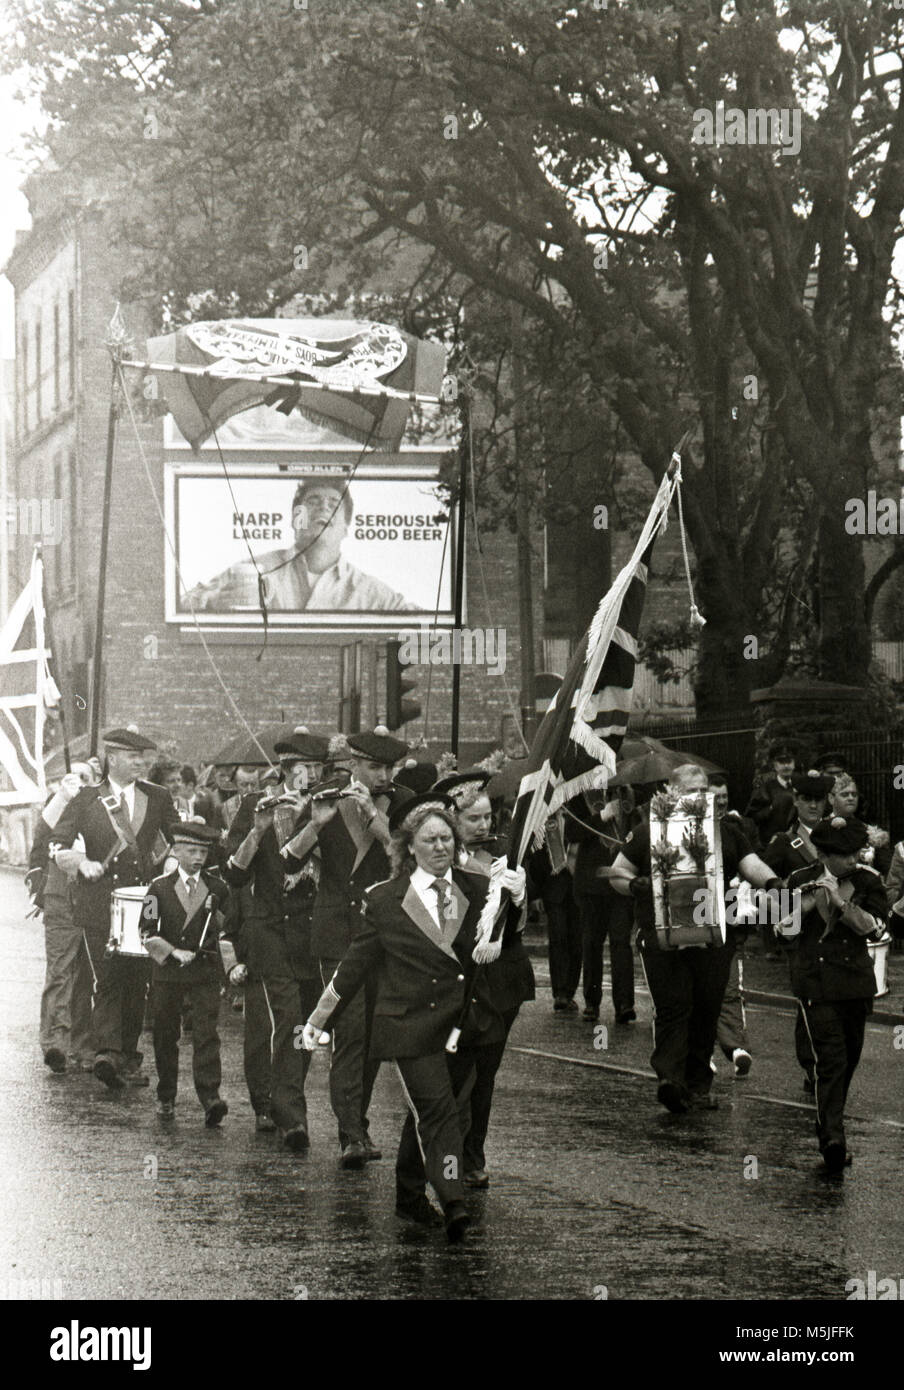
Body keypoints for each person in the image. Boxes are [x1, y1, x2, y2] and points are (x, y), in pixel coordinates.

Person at [302, 800, 508, 1242]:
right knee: (438, 1112)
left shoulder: (478, 887)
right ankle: (453, 1199)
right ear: (409, 847)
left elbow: (502, 939)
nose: (440, 847)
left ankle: (409, 1197)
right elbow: (353, 967)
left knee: (430, 1110)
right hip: (409, 1026)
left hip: (462, 1025)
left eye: (447, 838)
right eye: (429, 840)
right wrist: (319, 1020)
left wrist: (518, 898)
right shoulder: (384, 899)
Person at [610, 764, 782, 1114]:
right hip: (662, 937)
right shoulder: (648, 831)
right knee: (673, 1006)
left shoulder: (726, 831)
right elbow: (617, 872)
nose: (701, 797)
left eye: (704, 790)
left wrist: (773, 882)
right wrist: (633, 885)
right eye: (692, 791)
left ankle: (698, 1085)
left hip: (713, 936)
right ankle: (670, 1080)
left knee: (706, 1008)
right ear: (672, 792)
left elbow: (750, 863)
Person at [287, 727, 413, 1168]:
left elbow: (410, 859)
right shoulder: (326, 796)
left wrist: (376, 819)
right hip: (337, 932)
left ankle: (356, 1120)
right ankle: (351, 1134)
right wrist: (316, 824)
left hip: (385, 933)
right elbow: (290, 860)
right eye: (374, 767)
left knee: (375, 1034)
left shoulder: (404, 803)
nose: (383, 776)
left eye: (389, 768)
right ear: (353, 764)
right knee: (350, 1030)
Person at [51, 727, 181, 1090]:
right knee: (106, 978)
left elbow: (178, 840)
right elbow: (57, 844)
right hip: (99, 902)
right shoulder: (86, 799)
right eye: (133, 757)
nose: (141, 763)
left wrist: (173, 865)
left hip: (144, 901)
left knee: (137, 981)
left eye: (144, 757)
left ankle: (127, 1056)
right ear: (113, 758)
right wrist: (81, 862)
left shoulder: (157, 796)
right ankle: (108, 1054)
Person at [220, 731, 330, 1150]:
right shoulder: (255, 804)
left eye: (318, 768)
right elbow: (234, 874)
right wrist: (257, 831)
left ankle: (281, 1098)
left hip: (313, 930)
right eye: (305, 768)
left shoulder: (327, 804)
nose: (312, 776)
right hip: (269, 928)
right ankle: (290, 1115)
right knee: (285, 1018)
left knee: (307, 1024)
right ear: (286, 769)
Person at [436, 770, 532, 1188]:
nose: (483, 825)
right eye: (472, 818)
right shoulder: (440, 862)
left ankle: (473, 1155)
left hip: (501, 979)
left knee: (485, 1073)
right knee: (454, 1072)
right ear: (452, 820)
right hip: (456, 979)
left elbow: (518, 928)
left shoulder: (503, 858)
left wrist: (519, 896)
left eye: (487, 817)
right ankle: (446, 1154)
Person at [777, 816, 886, 1174]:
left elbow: (874, 929)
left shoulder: (868, 880)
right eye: (843, 854)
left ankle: (829, 1122)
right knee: (831, 1060)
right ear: (823, 855)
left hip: (854, 984)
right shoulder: (800, 879)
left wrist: (839, 902)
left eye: (855, 851)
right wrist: (807, 903)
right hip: (816, 983)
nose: (852, 858)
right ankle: (832, 1138)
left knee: (849, 1059)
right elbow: (781, 932)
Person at [183, 478, 417, 613]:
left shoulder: (369, 592)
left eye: (333, 503)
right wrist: (213, 601)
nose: (323, 507)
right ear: (296, 519)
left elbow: (424, 622)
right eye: (313, 501)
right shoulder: (254, 570)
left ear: (346, 527)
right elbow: (184, 603)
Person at [141, 822, 231, 1125]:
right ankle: (166, 1095)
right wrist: (173, 952)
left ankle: (210, 1097)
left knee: (207, 1035)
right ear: (176, 851)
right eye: (191, 851)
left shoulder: (218, 888)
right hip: (169, 972)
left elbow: (227, 928)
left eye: (203, 852)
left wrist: (218, 922)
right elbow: (146, 932)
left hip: (204, 970)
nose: (198, 858)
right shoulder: (157, 888)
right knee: (166, 1035)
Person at [28, 761, 99, 1074]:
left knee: (86, 975)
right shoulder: (57, 805)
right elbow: (43, 837)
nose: (79, 782)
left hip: (93, 897)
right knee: (60, 970)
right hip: (61, 899)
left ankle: (82, 1045)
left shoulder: (102, 807)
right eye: (74, 777)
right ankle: (55, 1042)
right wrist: (62, 797)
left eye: (86, 777)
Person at [567, 786, 637, 1025]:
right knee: (591, 944)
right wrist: (602, 816)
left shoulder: (629, 792)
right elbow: (572, 833)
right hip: (591, 884)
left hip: (621, 881)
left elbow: (638, 830)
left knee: (621, 942)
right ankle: (592, 1002)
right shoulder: (580, 795)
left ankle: (624, 1004)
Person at [709, 777, 757, 1077]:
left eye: (724, 797)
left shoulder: (736, 829)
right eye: (715, 797)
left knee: (728, 985)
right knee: (698, 990)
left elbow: (753, 861)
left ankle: (735, 1046)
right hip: (697, 914)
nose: (721, 802)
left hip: (727, 915)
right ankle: (702, 1052)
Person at [529, 811, 582, 1012]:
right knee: (558, 938)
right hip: (553, 889)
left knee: (576, 942)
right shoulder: (544, 821)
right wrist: (537, 894)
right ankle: (559, 993)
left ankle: (570, 991)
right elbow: (536, 859)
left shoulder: (577, 816)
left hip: (577, 888)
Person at [744, 741, 797, 847]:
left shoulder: (799, 785)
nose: (786, 766)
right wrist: (770, 809)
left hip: (796, 842)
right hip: (771, 843)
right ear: (775, 766)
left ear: (794, 764)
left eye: (789, 762)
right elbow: (751, 817)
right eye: (781, 762)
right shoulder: (766, 788)